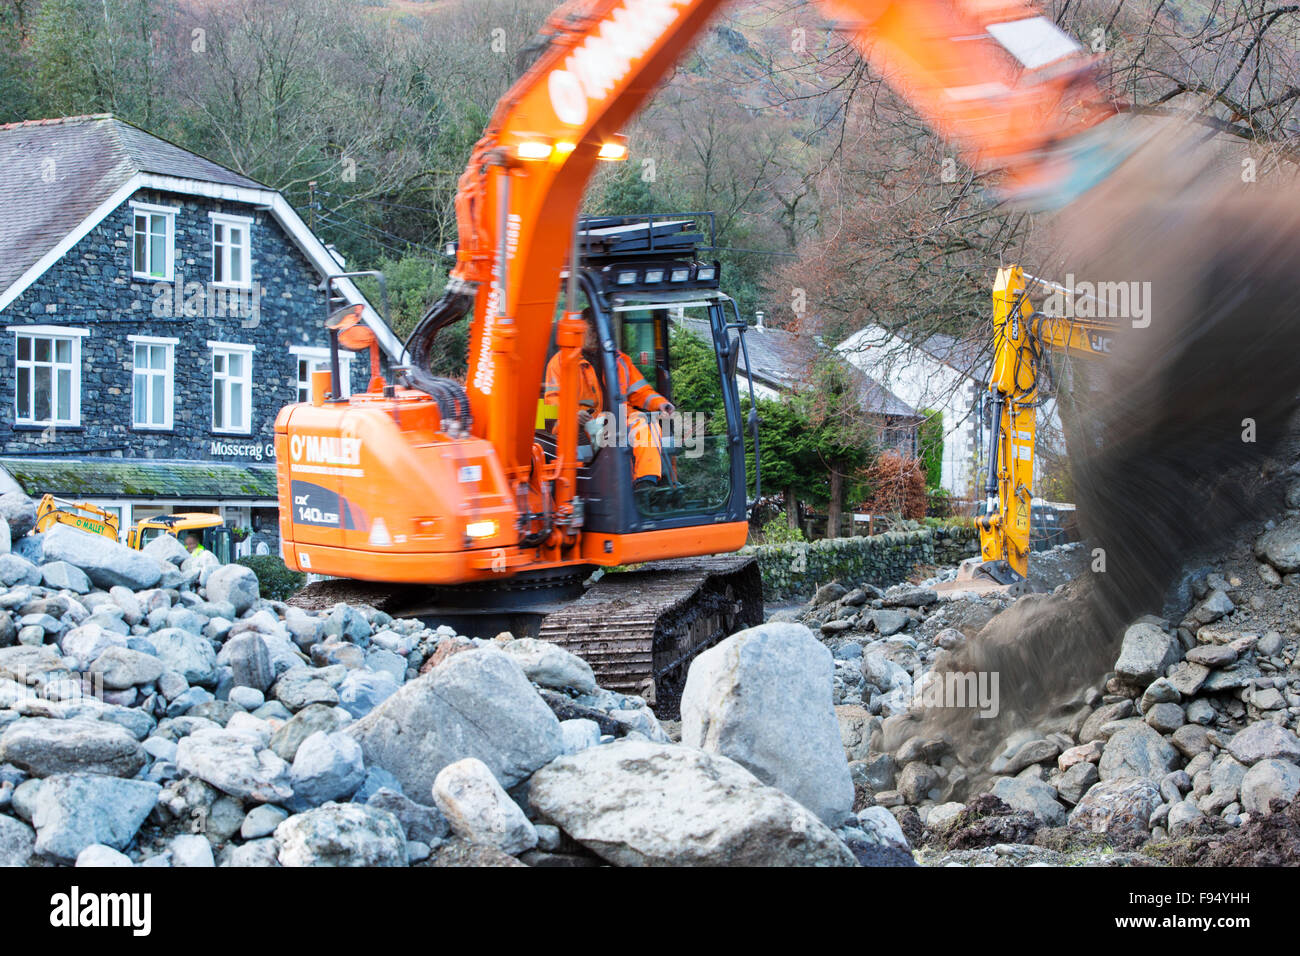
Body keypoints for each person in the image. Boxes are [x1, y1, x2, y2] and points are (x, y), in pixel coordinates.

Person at [544, 308, 674, 489]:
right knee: (609, 433)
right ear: (580, 330)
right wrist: (574, 415)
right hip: (589, 420)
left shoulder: (619, 360)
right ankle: (619, 490)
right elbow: (551, 403)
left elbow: (640, 391)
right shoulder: (560, 364)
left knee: (647, 425)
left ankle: (646, 484)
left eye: (600, 330)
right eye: (593, 330)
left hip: (621, 414)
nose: (597, 335)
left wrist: (660, 403)